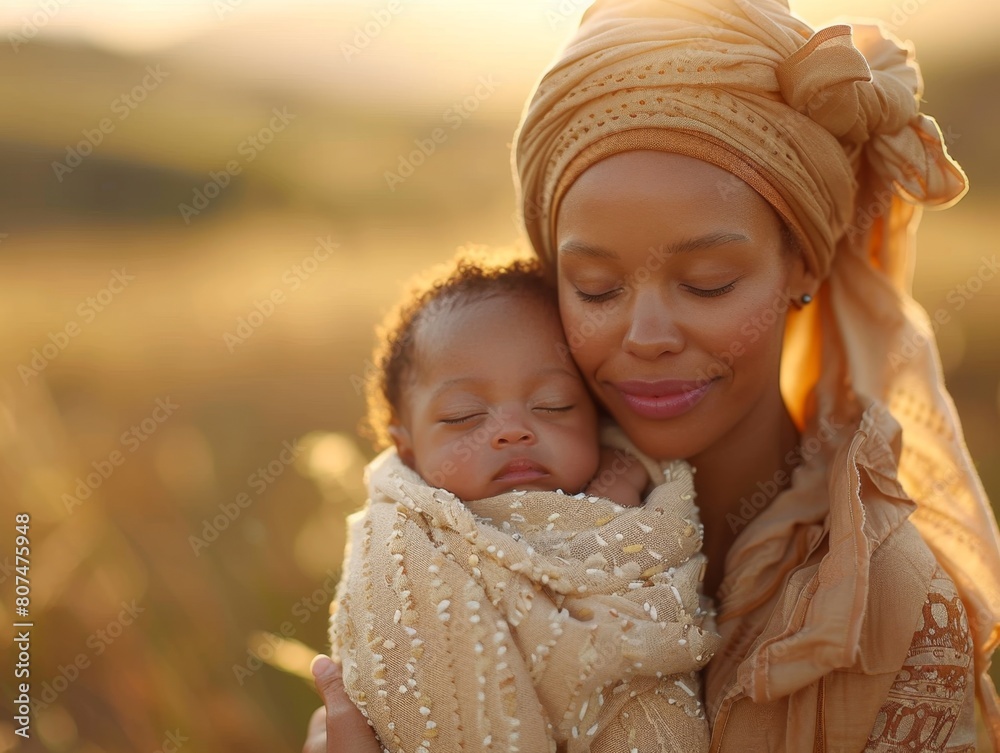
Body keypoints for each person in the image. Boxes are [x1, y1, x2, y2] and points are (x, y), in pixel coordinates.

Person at [306, 0, 1000, 750]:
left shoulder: (884, 611)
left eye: (707, 282)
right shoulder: (462, 514)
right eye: (596, 289)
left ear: (803, 262)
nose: (647, 336)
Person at [327, 253, 720, 752]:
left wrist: (610, 527)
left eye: (552, 405)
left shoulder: (645, 505)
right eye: (463, 415)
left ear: (596, 418)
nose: (513, 429)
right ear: (405, 445)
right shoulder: (399, 548)